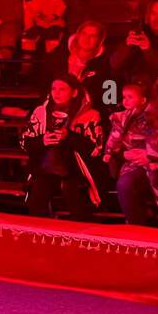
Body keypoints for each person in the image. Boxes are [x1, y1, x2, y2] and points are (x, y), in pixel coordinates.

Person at [21, 73, 104, 222]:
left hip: (76, 170)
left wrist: (70, 137)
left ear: (74, 92)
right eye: (54, 89)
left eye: (62, 89)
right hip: (46, 167)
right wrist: (42, 141)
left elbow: (96, 149)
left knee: (75, 197)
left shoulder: (90, 115)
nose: (56, 93)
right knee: (36, 199)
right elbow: (24, 143)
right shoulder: (41, 113)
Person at [103, 82, 158, 225]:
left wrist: (151, 158)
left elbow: (154, 140)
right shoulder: (122, 118)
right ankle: (136, 227)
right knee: (124, 183)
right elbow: (115, 141)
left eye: (130, 97)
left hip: (154, 164)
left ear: (143, 100)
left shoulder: (151, 118)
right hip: (134, 164)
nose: (125, 101)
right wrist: (122, 154)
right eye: (124, 97)